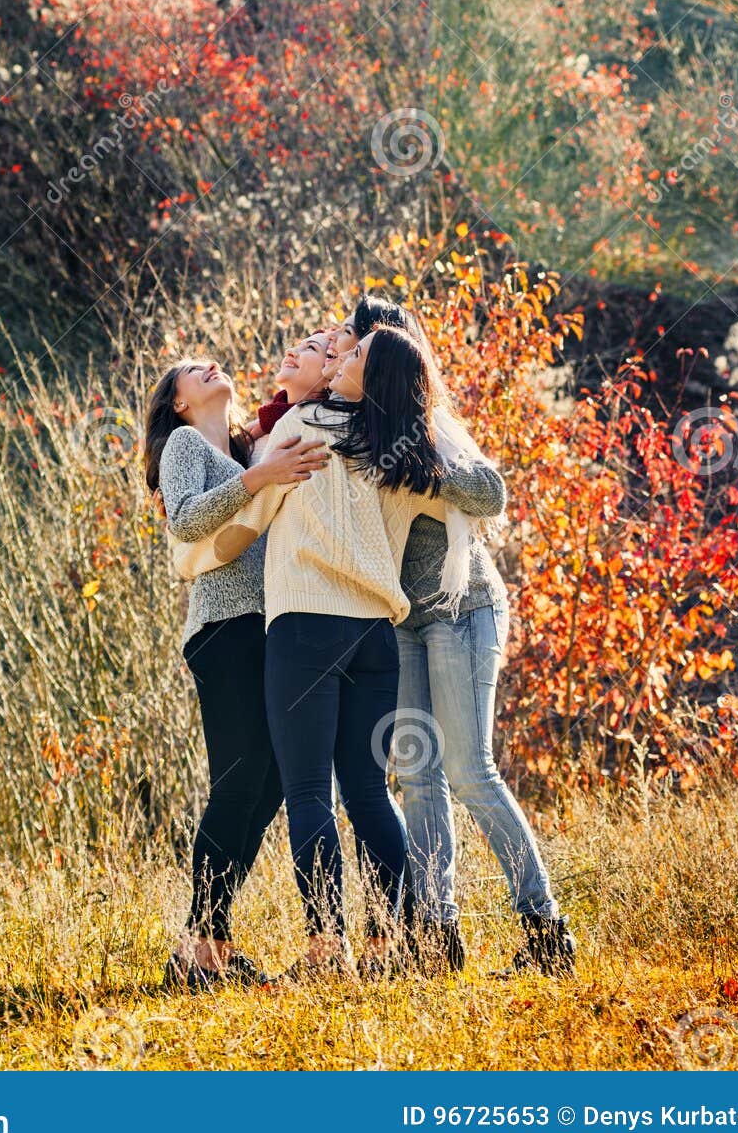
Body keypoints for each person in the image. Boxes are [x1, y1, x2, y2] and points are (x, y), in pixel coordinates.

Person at [172, 326, 490, 980]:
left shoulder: (294, 433)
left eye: (342, 352)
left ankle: (326, 950)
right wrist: (433, 456)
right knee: (370, 794)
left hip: (304, 629)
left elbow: (225, 534)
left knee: (310, 791)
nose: (334, 355)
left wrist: (193, 553)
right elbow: (488, 496)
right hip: (376, 631)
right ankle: (425, 938)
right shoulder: (390, 442)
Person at [339, 295, 576, 977]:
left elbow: (492, 492)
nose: (347, 353)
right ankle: (438, 939)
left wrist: (423, 473)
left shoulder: (423, 427)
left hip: (462, 606)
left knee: (472, 772)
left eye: (357, 348)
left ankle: (545, 929)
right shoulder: (359, 432)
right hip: (405, 619)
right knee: (418, 777)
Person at [142, 357, 329, 990]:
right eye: (194, 371)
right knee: (239, 778)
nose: (209, 365)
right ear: (179, 404)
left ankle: (210, 941)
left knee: (273, 779)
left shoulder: (250, 446)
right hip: (222, 630)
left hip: (267, 626)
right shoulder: (186, 444)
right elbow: (187, 520)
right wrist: (260, 479)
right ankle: (201, 945)